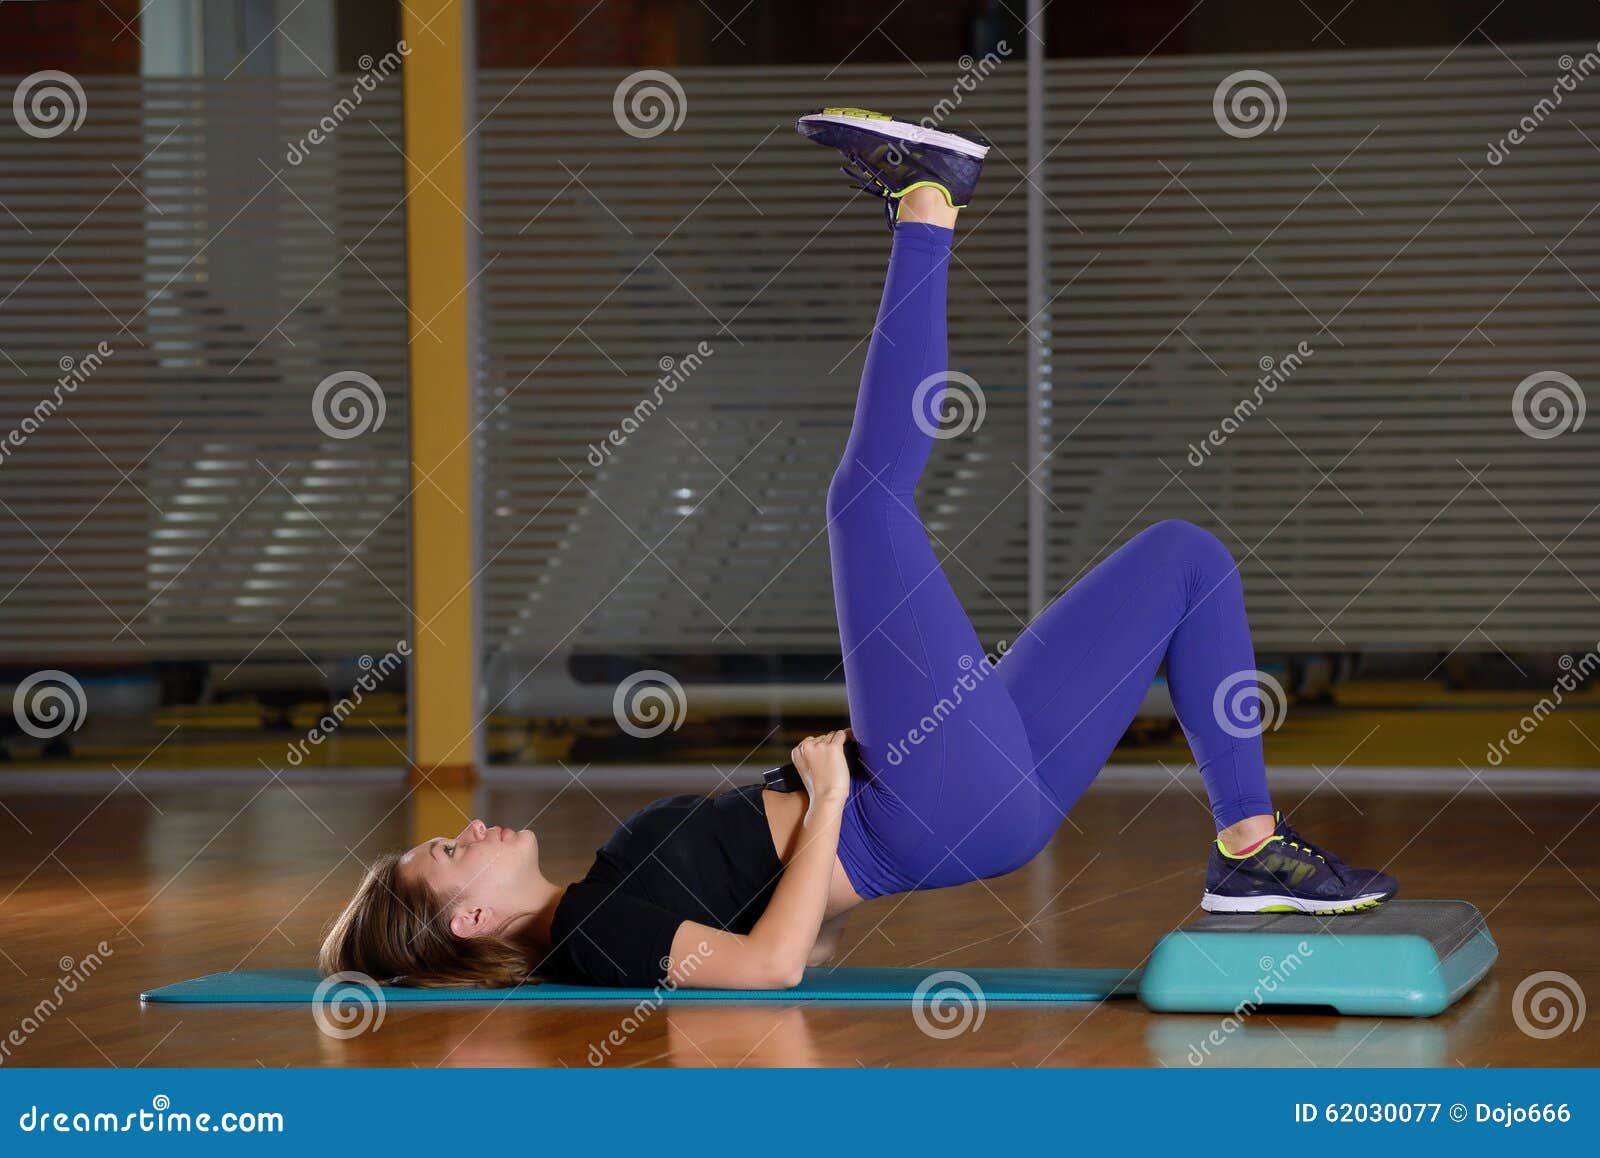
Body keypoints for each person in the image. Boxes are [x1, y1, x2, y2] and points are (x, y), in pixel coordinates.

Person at [320, 108, 1398, 992]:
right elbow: (772, 967)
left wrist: (821, 828)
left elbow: (796, 929)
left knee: (1183, 559)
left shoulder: (599, 896)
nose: (464, 829)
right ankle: (924, 200)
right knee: (865, 502)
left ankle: (1250, 849)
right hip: (915, 812)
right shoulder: (591, 941)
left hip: (933, 794)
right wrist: (828, 801)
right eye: (448, 852)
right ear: (468, 918)